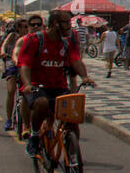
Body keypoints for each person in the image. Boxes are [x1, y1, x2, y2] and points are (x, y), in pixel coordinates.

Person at [18, 9, 91, 158]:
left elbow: (76, 60)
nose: (69, 27)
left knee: (72, 117)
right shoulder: (35, 40)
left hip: (58, 87)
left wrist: (85, 77)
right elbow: (24, 65)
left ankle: (71, 155)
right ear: (55, 24)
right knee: (42, 103)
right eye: (66, 23)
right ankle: (34, 135)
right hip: (37, 86)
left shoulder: (66, 43)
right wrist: (27, 84)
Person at [0, 18, 26, 131]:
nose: (26, 28)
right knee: (11, 91)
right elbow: (4, 45)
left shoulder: (30, 37)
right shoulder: (13, 36)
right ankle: (9, 119)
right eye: (23, 26)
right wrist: (3, 53)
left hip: (25, 65)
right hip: (11, 63)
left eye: (27, 26)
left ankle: (26, 122)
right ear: (18, 27)